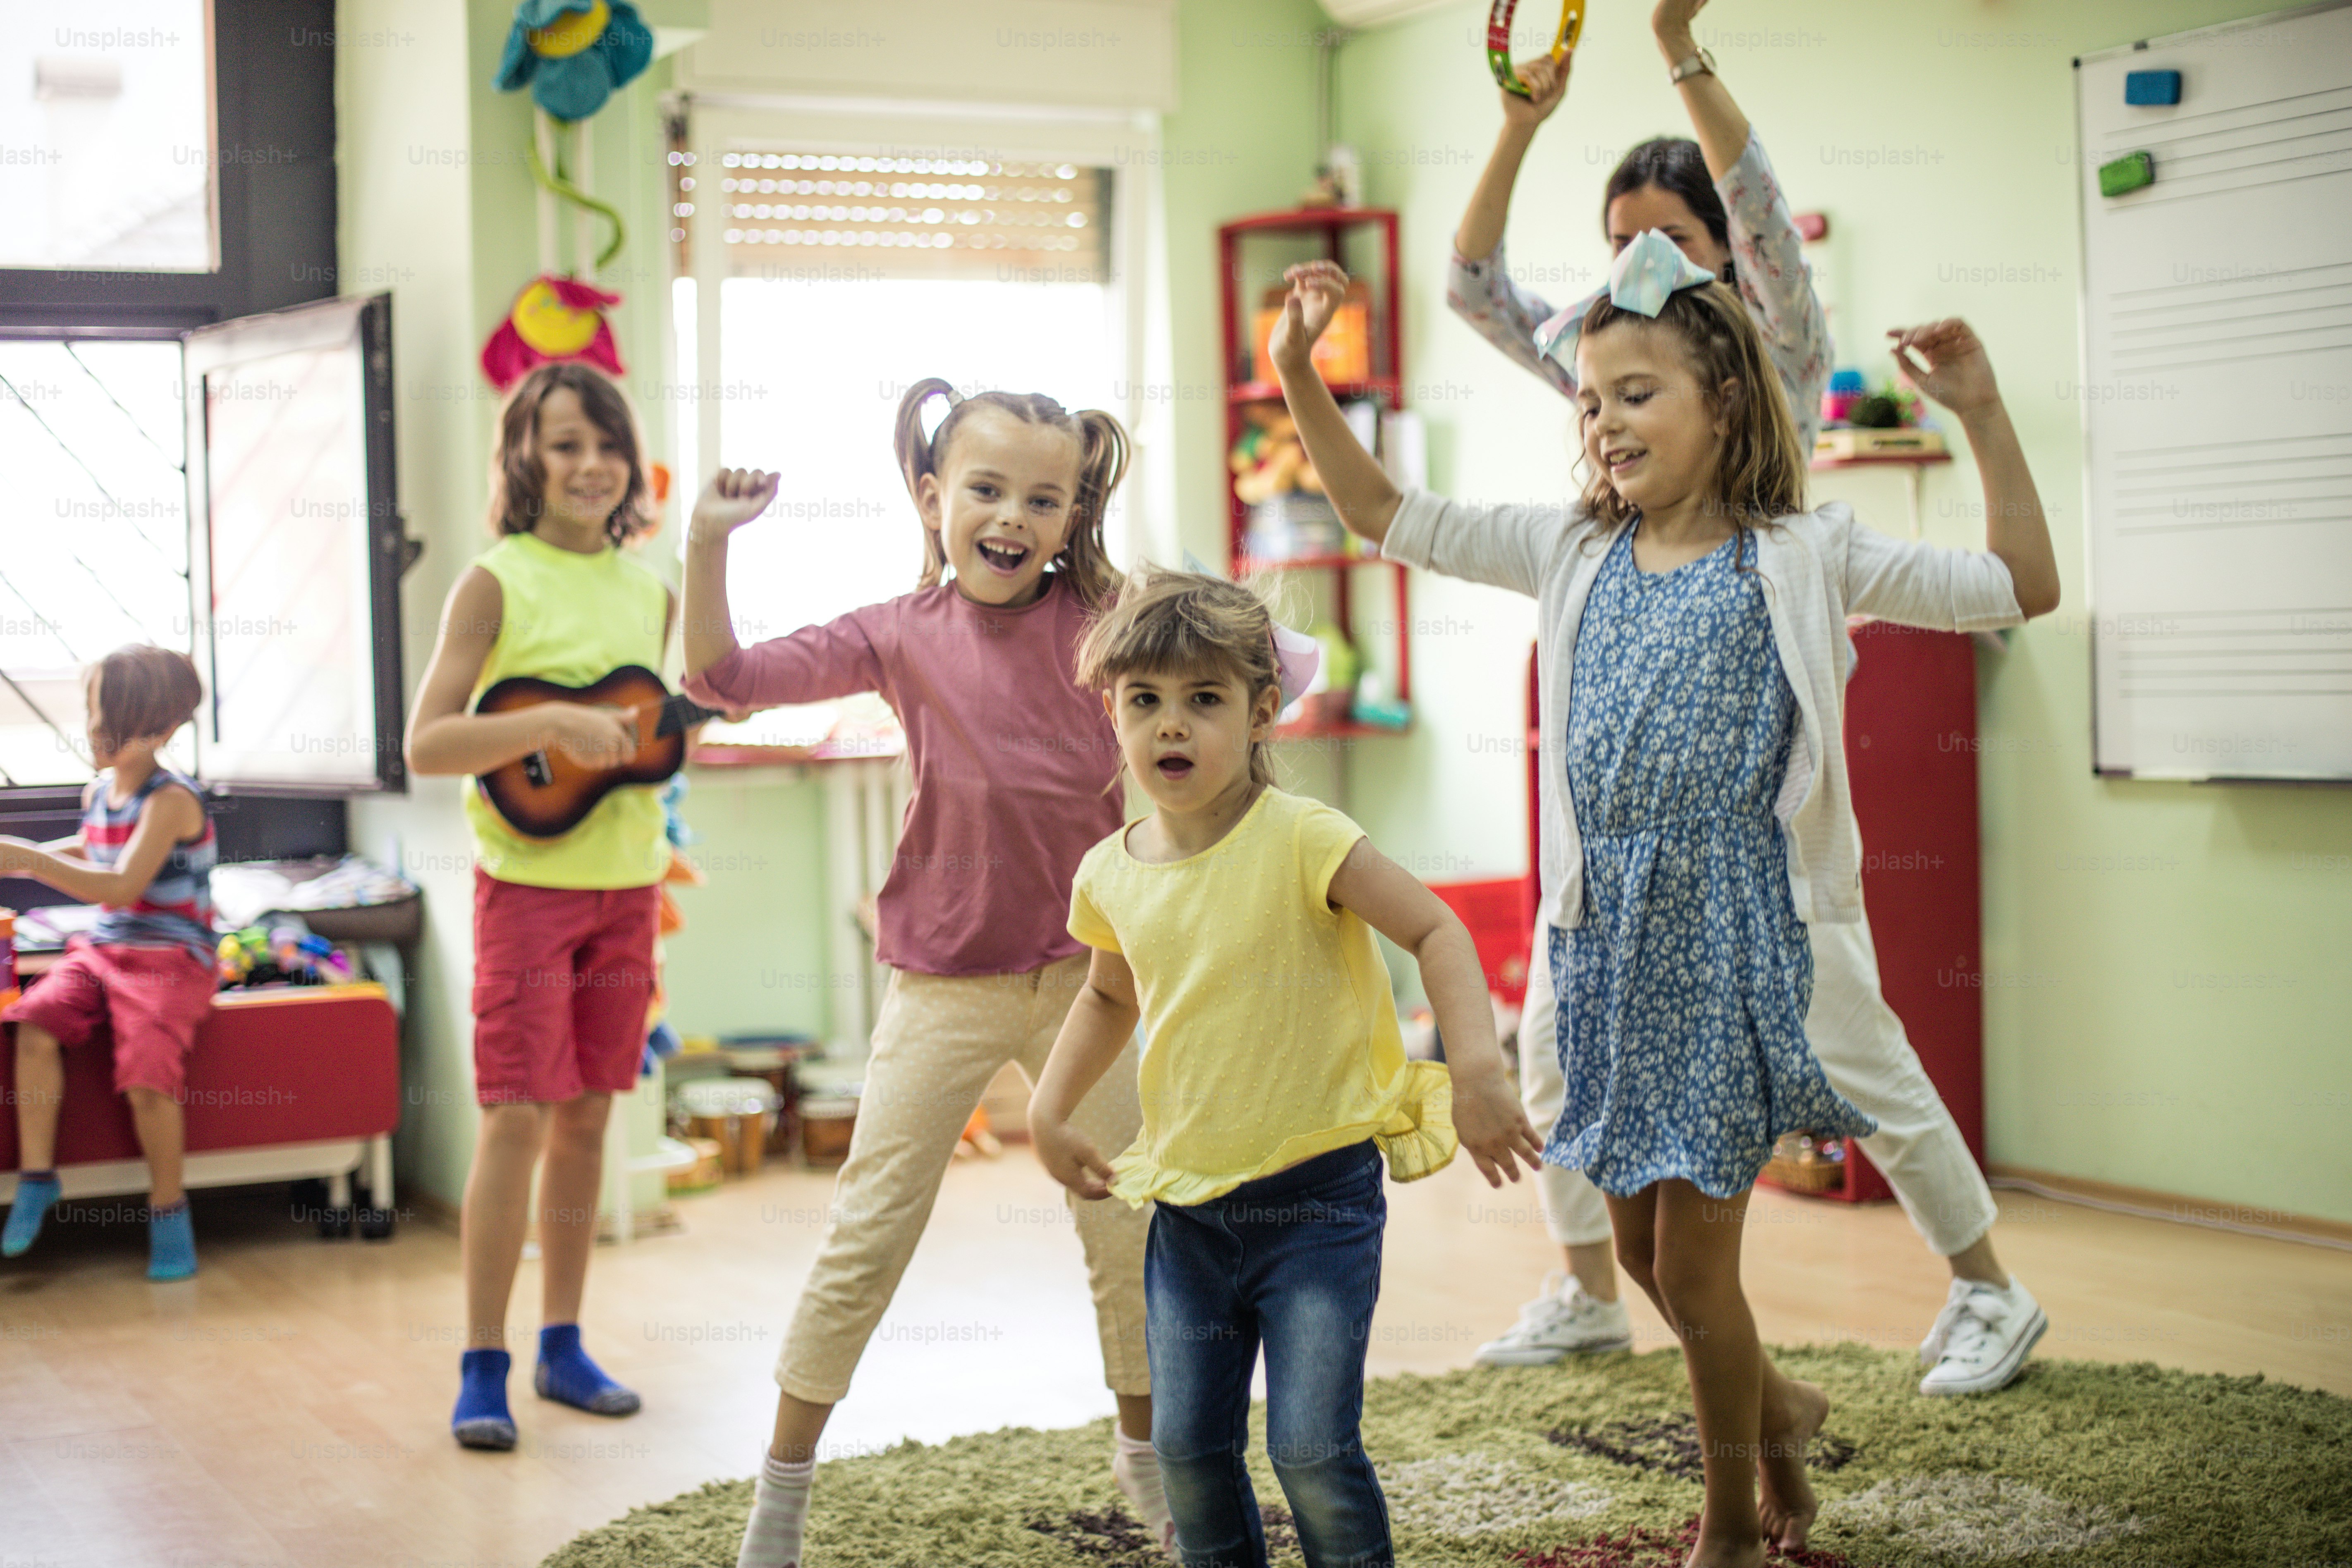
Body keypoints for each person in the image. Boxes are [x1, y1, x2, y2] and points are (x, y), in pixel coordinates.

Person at [1271, 239, 2060, 1562]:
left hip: (1737, 942)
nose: (1604, 418)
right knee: (1640, 1251)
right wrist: (1299, 374)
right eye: (1591, 397)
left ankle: (1734, 1534)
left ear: (1726, 403)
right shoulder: (1573, 548)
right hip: (1608, 947)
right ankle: (1780, 1413)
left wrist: (1979, 415)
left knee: (1695, 1273)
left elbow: (2018, 590)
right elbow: (1384, 515)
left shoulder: (1807, 552)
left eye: (1637, 391)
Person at [1457, 1, 2046, 1399]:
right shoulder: (1607, 351)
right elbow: (1475, 286)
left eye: (1663, 233)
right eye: (1613, 239)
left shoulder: (1750, 344)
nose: (1633, 260)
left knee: (1856, 1049)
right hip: (1621, 825)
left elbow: (1763, 212)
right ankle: (1587, 1289)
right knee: (1555, 1053)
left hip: (1751, 809)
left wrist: (1674, 46)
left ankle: (1986, 1290)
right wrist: (1519, 121)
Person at [683, 380, 1169, 1568]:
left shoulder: (1111, 620)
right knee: (870, 1229)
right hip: (945, 977)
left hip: (1094, 980)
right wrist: (705, 542)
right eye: (987, 489)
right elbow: (721, 680)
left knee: (1132, 1231)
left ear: (1072, 514)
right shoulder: (897, 631)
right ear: (931, 497)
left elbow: (1241, 685)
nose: (1012, 516)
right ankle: (781, 1500)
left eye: (1043, 498)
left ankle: (1151, 1470)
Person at [1028, 566, 1543, 1568]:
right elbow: (1105, 996)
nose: (1170, 727)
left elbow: (1436, 928)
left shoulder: (1304, 838)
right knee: (1187, 1448)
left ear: (1263, 713)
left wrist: (1477, 1068)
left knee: (1309, 1449)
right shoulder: (1112, 872)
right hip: (1188, 1213)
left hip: (1318, 1208)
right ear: (1112, 712)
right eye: (1146, 702)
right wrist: (1048, 1112)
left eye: (1204, 700)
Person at [406, 363, 675, 1450]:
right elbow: (429, 743)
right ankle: (485, 1362)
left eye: (606, 443)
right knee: (516, 1114)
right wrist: (548, 725)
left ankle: (564, 1345)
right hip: (522, 894)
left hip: (630, 887)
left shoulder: (650, 591)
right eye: (565, 445)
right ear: (526, 460)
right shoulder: (493, 581)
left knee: (591, 1117)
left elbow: (643, 732)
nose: (591, 465)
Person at [2, 645, 216, 1281]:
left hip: (172, 957)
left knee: (148, 1072)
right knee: (35, 1021)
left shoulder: (171, 802)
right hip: (105, 949)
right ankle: (39, 1178)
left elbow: (122, 885)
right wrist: (29, 853)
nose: (97, 735)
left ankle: (168, 1209)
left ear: (164, 732)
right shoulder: (103, 790)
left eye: (114, 726)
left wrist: (31, 862)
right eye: (94, 717)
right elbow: (95, 849)